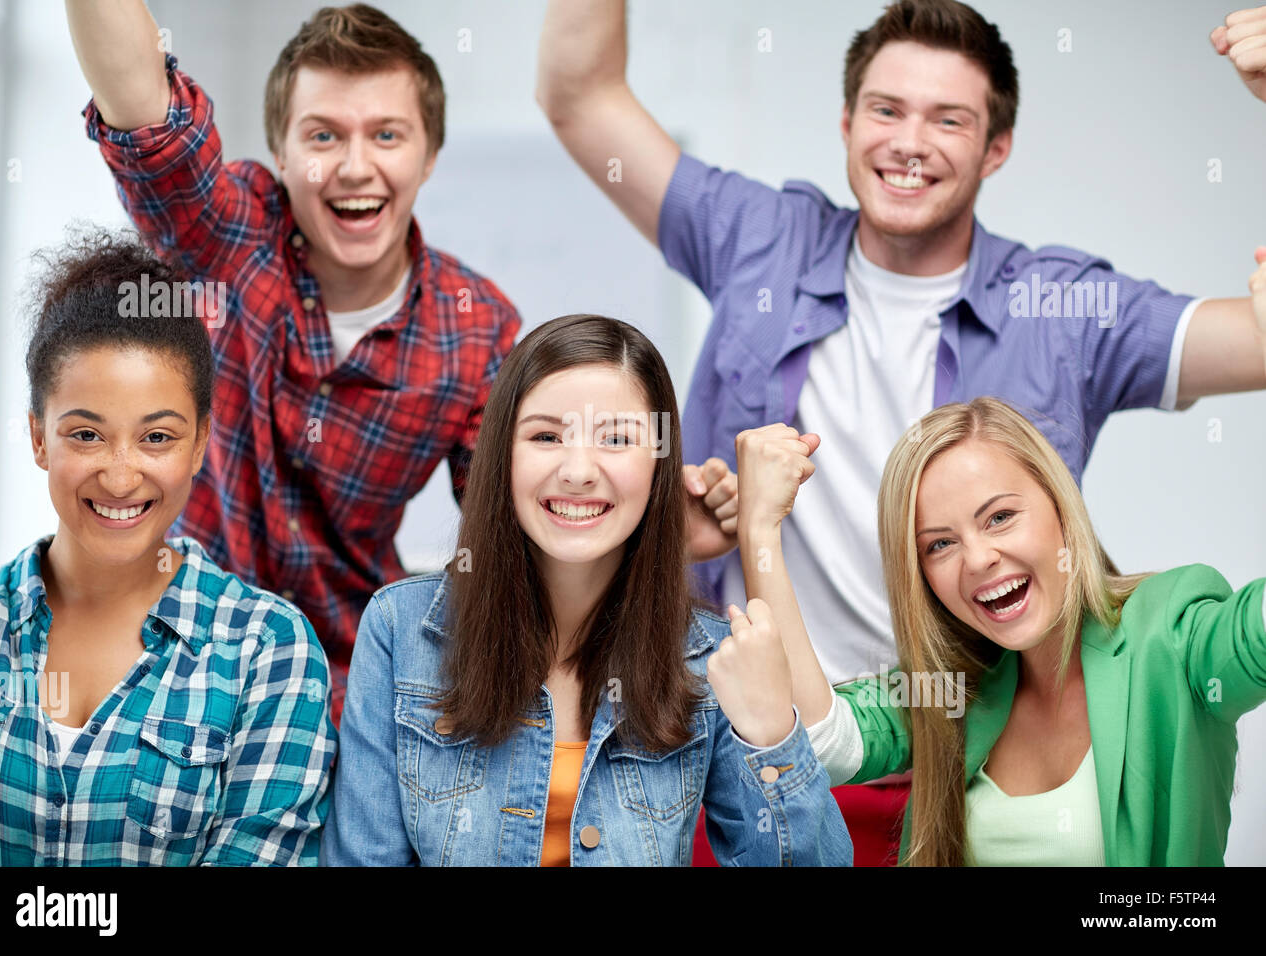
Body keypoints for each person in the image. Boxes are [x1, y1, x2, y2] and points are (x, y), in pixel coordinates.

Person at [536, 0, 1266, 864]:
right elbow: (580, 96)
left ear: (996, 146)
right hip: (748, 740)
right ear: (847, 122)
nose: (909, 142)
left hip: (956, 750)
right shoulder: (757, 240)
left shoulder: (1065, 308)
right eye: (886, 110)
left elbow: (1257, 339)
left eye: (948, 118)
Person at [66, 2, 739, 726]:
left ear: (428, 156)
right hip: (170, 667)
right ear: (281, 153)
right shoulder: (230, 236)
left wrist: (658, 528)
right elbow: (144, 115)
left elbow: (520, 519)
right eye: (324, 135)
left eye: (387, 135)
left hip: (345, 694)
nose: (357, 166)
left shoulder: (474, 328)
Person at [735, 243, 1266, 862]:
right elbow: (824, 742)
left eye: (1001, 517)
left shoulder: (1172, 636)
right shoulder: (957, 690)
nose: (979, 559)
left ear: (1063, 514)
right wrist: (760, 532)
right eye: (940, 544)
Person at [322, 314, 850, 866]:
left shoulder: (709, 659)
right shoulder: (401, 630)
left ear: (659, 464)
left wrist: (770, 735)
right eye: (546, 436)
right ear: (502, 456)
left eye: (617, 439)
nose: (578, 470)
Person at [0, 230, 336, 866]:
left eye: (156, 438)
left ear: (198, 445)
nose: (119, 475)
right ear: (37, 439)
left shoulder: (268, 652)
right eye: (86, 434)